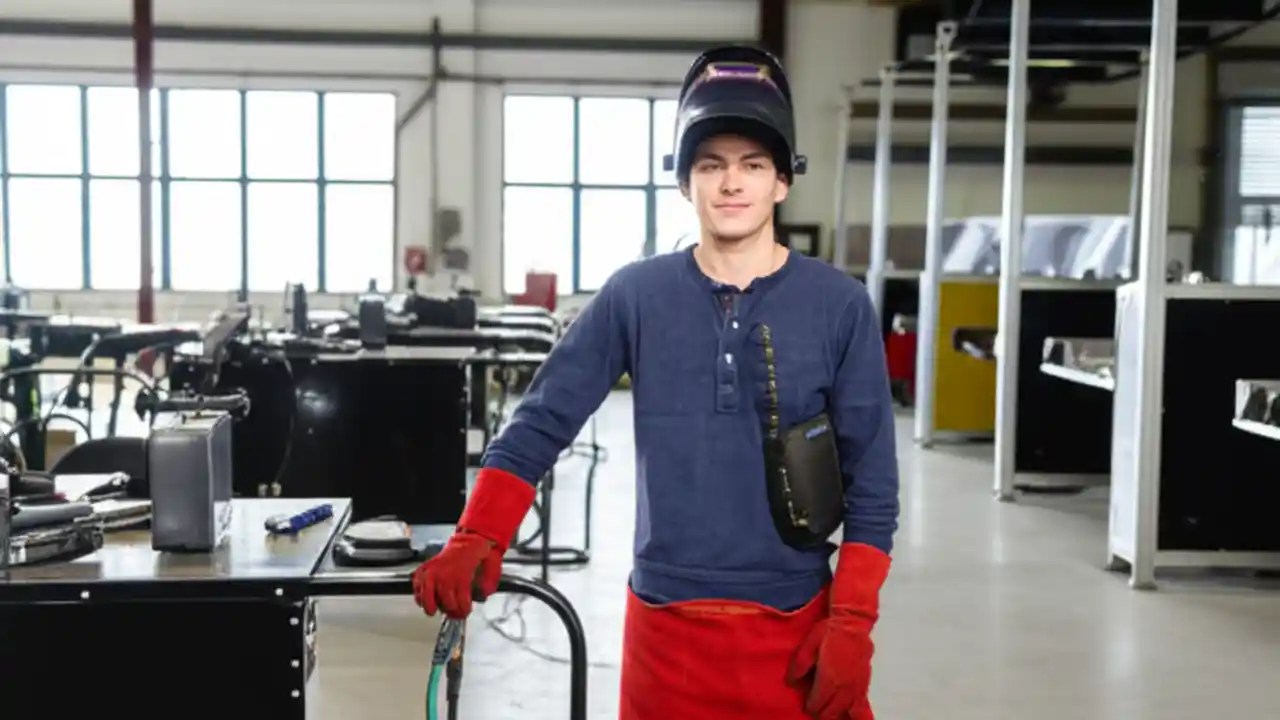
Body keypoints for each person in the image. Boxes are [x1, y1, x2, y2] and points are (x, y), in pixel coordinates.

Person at [412, 45, 900, 720]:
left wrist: (851, 621)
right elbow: (543, 420)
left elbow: (873, 484)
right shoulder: (634, 295)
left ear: (783, 181)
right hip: (664, 634)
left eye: (753, 165)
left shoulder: (839, 305)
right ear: (683, 181)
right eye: (711, 165)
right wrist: (478, 532)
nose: (732, 184)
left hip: (795, 630)